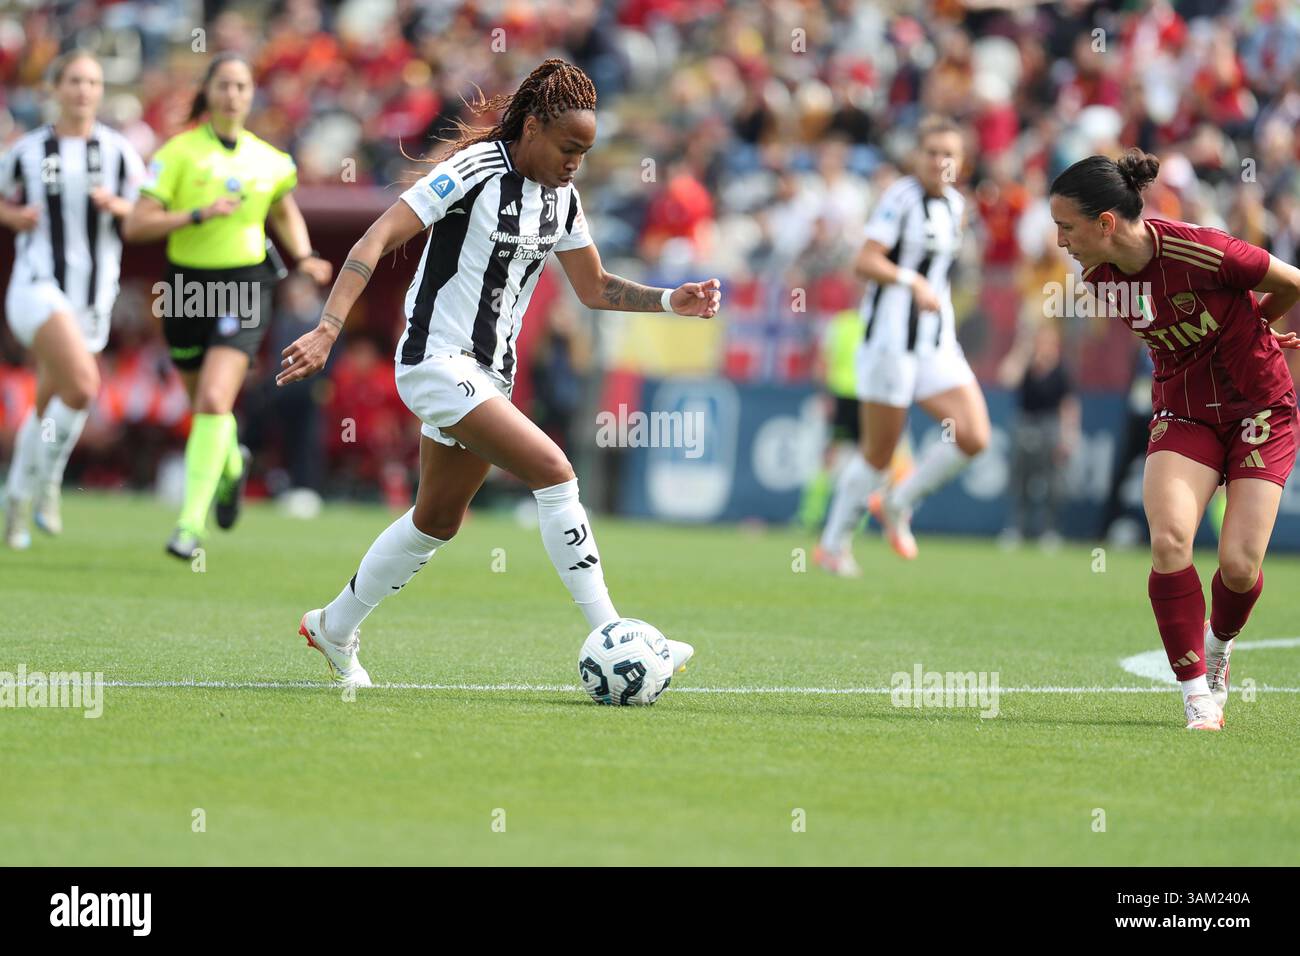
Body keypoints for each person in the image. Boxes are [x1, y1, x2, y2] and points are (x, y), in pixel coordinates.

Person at [274, 59, 721, 686]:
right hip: (434, 360)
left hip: (491, 374)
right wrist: (328, 328)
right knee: (554, 470)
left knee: (437, 520)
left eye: (586, 153)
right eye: (568, 148)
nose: (575, 164)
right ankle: (615, 633)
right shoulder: (474, 171)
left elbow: (593, 288)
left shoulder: (563, 201)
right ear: (533, 127)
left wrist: (672, 300)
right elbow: (374, 238)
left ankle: (333, 624)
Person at [1051, 149, 1300, 731]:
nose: (1061, 241)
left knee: (1239, 567)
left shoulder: (1202, 249)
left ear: (1105, 223)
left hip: (1258, 406)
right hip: (1184, 411)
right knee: (1168, 541)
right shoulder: (1099, 276)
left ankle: (1219, 646)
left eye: (1066, 226)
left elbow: (1292, 282)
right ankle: (1196, 696)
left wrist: (1261, 323)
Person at [123, 52, 332, 559]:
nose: (233, 94)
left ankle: (188, 527)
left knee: (216, 401)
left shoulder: (270, 160)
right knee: (204, 405)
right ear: (209, 91)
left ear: (251, 93)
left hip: (244, 286)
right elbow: (136, 225)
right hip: (187, 288)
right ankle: (233, 463)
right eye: (224, 85)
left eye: (242, 86)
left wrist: (303, 256)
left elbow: (283, 211)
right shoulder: (178, 154)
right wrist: (196, 214)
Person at [815, 116, 990, 574]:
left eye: (948, 154)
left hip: (936, 342)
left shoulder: (957, 206)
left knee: (974, 435)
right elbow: (865, 260)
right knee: (878, 454)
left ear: (961, 162)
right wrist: (910, 281)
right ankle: (833, 544)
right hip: (890, 342)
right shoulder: (900, 197)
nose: (939, 161)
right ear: (917, 156)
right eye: (931, 152)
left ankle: (900, 501)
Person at [0, 51, 145, 548]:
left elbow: (145, 212)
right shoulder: (27, 150)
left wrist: (122, 206)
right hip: (36, 286)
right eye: (75, 81)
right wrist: (13, 216)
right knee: (83, 386)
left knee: (48, 404)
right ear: (55, 88)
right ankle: (50, 483)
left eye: (93, 81)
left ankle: (17, 500)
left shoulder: (120, 151)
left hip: (93, 298)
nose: (84, 90)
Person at [996, 320, 1080, 549]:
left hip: (1050, 426)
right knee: (1020, 479)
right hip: (1025, 424)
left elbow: (1068, 405)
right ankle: (1016, 529)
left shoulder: (1062, 369)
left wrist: (1067, 436)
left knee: (1053, 483)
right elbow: (1006, 377)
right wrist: (1022, 351)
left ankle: (1049, 531)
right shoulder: (1026, 366)